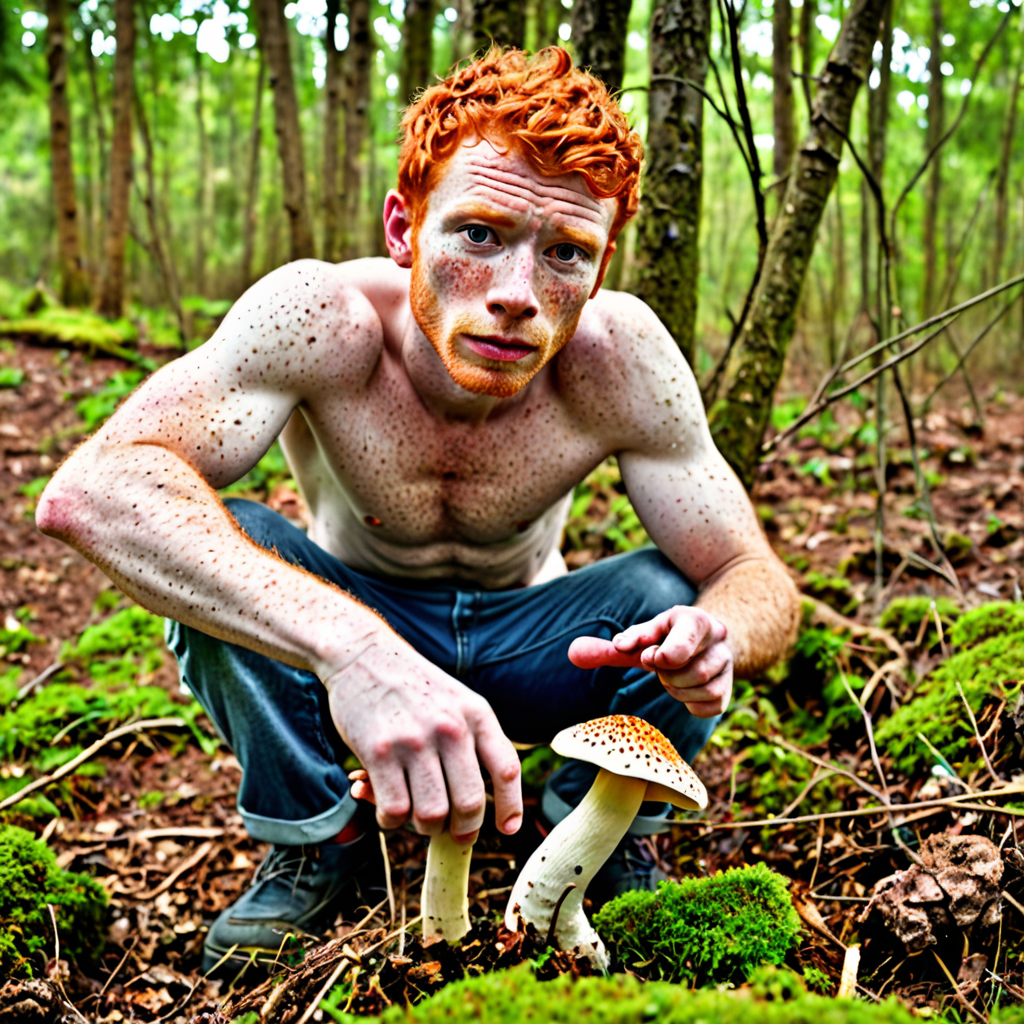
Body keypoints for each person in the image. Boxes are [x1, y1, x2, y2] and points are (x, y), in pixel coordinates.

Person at [37, 47, 800, 972]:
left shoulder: (622, 356)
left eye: (566, 253)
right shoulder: (320, 316)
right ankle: (322, 840)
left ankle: (585, 830)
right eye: (479, 233)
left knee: (674, 583)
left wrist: (716, 631)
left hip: (537, 643)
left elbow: (754, 577)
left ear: (598, 269)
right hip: (351, 632)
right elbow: (95, 488)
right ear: (405, 228)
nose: (519, 294)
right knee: (227, 537)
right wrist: (353, 651)